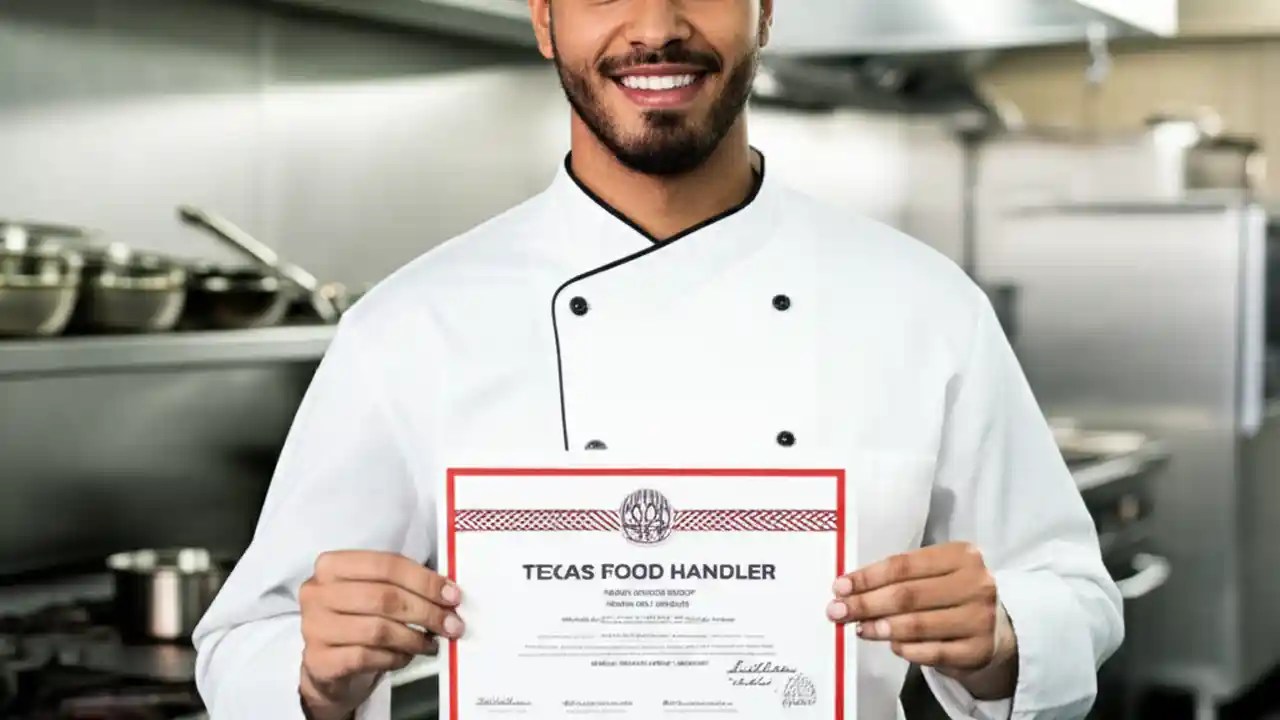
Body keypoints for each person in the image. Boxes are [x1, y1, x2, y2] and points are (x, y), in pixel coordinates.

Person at [192, 1, 1124, 718]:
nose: (658, 26)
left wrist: (1001, 634)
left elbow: (1072, 591)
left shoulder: (924, 306)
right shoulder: (409, 325)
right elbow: (246, 641)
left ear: (765, 8)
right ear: (544, 17)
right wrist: (313, 672)